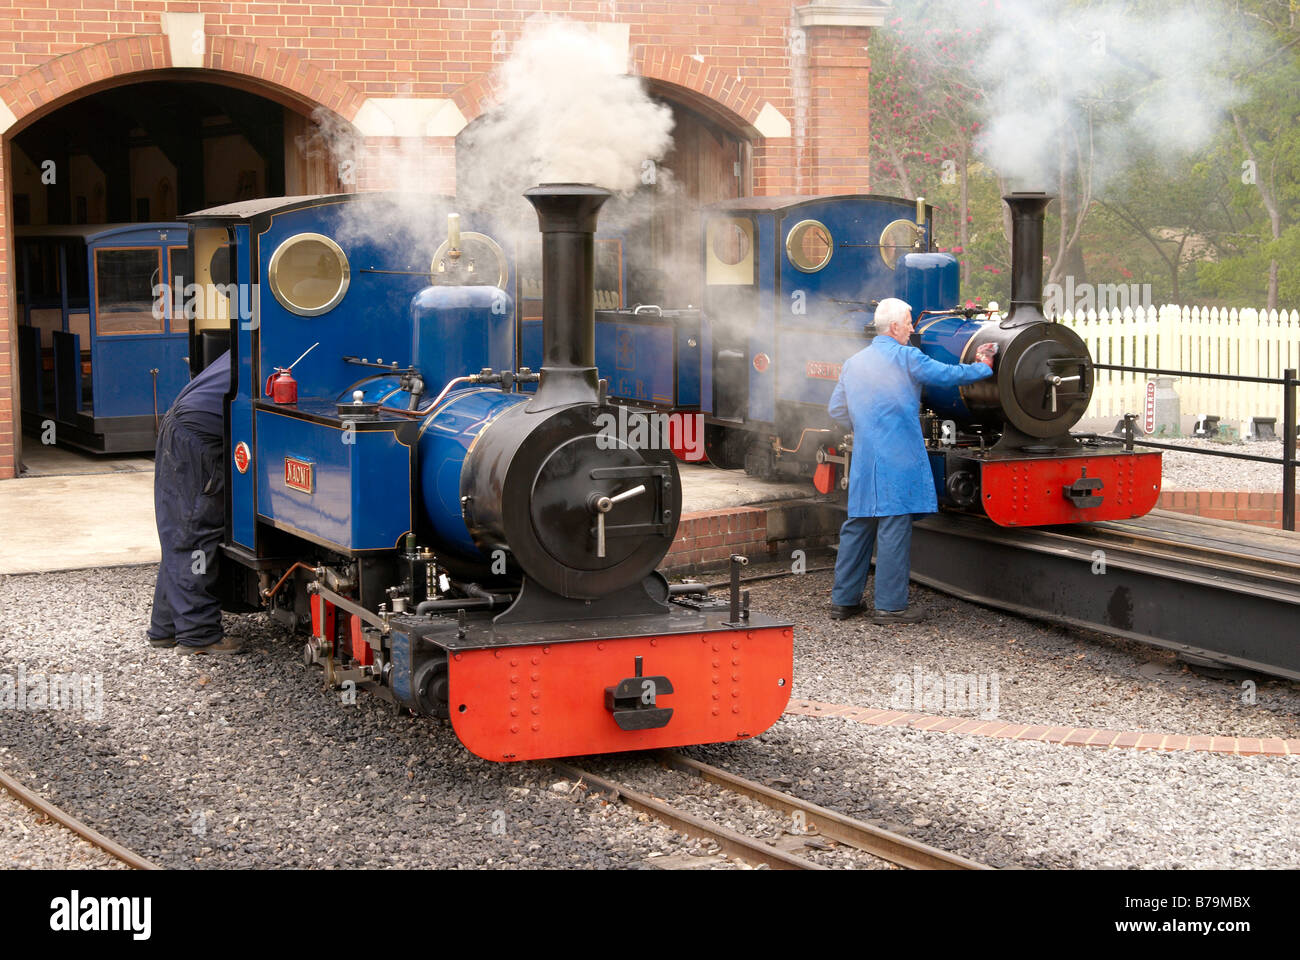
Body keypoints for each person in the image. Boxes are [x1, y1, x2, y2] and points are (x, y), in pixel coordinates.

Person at [828, 299, 994, 624]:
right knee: (893, 527)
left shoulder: (853, 363)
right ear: (894, 327)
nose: (912, 328)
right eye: (908, 321)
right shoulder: (906, 358)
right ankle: (890, 607)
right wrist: (983, 367)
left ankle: (843, 602)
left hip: (865, 460)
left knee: (858, 526)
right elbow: (946, 375)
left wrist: (865, 427)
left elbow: (835, 410)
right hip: (897, 460)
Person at [146, 351, 240, 654]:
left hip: (184, 425)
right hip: (198, 434)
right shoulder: (287, 345)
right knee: (196, 531)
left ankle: (166, 627)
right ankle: (198, 635)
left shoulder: (262, 335)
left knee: (180, 531)